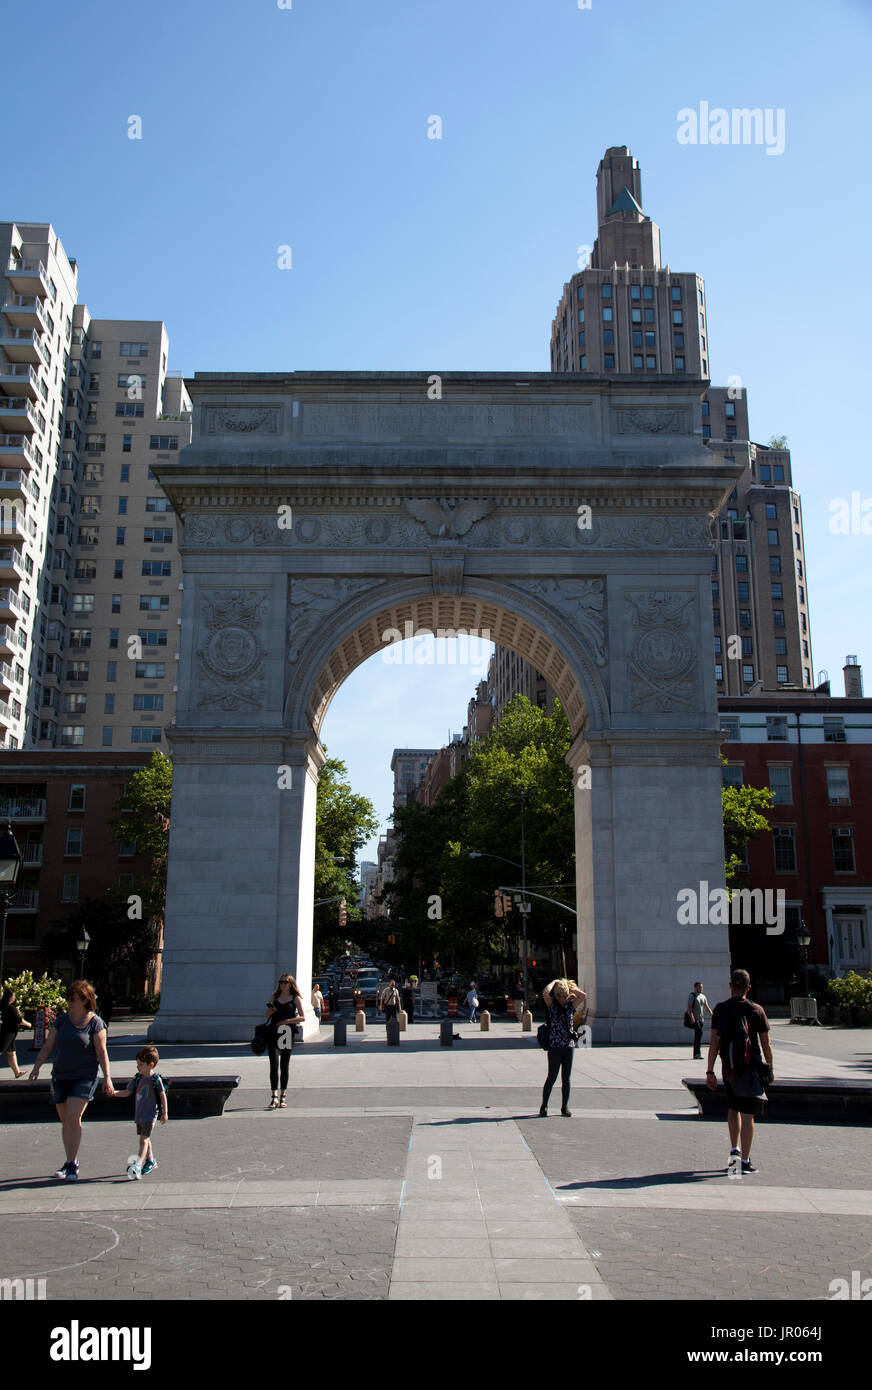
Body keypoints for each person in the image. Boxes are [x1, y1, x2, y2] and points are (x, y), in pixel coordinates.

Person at [29, 980, 114, 1181]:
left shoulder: (95, 1023)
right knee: (66, 1122)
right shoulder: (61, 1021)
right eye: (69, 999)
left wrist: (107, 1078)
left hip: (84, 1077)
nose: (70, 1003)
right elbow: (49, 1046)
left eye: (73, 1000)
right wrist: (36, 1066)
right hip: (60, 1076)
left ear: (85, 1000)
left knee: (74, 1117)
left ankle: (72, 1165)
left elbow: (102, 1052)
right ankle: (70, 1162)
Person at [706, 969, 774, 1175]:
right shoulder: (756, 1010)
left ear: (730, 986)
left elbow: (714, 1043)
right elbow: (766, 1043)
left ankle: (734, 1150)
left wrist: (710, 1071)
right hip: (750, 1069)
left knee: (733, 1108)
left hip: (729, 1069)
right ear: (748, 987)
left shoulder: (720, 1009)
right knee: (747, 1115)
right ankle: (744, 1161)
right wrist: (770, 1067)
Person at [112, 1045, 168, 1179]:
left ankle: (138, 1164)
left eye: (141, 1065)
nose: (138, 1067)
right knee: (145, 1139)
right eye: (137, 1064)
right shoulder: (137, 1078)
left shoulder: (155, 1079)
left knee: (143, 1140)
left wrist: (165, 1112)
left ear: (151, 1065)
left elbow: (162, 1095)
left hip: (150, 1114)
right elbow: (127, 1092)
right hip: (139, 1115)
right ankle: (151, 1160)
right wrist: (114, 1093)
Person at [539, 977, 586, 1117]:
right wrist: (554, 983)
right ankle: (544, 1105)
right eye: (563, 996)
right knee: (552, 1077)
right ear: (558, 996)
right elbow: (545, 993)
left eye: (566, 996)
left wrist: (569, 987)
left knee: (567, 1078)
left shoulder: (570, 1006)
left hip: (568, 1046)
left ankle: (564, 1107)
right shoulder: (552, 1006)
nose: (566, 998)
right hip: (555, 1046)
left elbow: (583, 996)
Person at [265, 974, 304, 1110]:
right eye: (281, 982)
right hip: (273, 1032)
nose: (282, 984)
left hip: (286, 1033)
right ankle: (274, 1096)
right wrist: (271, 1011)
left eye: (285, 982)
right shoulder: (274, 997)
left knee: (284, 1065)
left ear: (290, 984)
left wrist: (287, 1021)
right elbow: (266, 1015)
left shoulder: (295, 998)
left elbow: (302, 1017)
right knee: (273, 1064)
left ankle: (283, 1096)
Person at [1, 986, 32, 1078]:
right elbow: (19, 1020)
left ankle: (17, 1072)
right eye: (14, 995)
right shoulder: (10, 1008)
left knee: (11, 1053)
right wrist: (28, 1024)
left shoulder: (1, 1005)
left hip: (8, 1033)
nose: (14, 997)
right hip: (7, 1034)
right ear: (10, 997)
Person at [687, 980, 712, 1060]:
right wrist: (692, 1017)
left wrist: (712, 1015)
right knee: (698, 1036)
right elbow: (689, 1008)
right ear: (695, 987)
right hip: (696, 1019)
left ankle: (697, 1053)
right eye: (699, 987)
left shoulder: (703, 996)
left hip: (701, 1020)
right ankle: (697, 1054)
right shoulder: (692, 996)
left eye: (702, 987)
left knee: (699, 1036)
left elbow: (707, 1007)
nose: (701, 988)